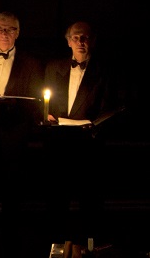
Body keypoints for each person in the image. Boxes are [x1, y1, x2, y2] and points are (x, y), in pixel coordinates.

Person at [42, 21, 120, 243]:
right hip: (59, 146)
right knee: (57, 202)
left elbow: (109, 108)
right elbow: (46, 103)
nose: (80, 42)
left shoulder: (104, 72)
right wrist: (46, 114)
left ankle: (90, 247)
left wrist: (96, 126)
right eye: (76, 37)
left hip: (89, 147)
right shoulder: (54, 67)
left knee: (90, 204)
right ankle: (56, 247)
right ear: (68, 42)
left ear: (93, 41)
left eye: (85, 37)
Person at [0, 11, 45, 224]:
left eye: (10, 29)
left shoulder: (31, 62)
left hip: (14, 129)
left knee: (11, 180)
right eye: (0, 29)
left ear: (18, 33)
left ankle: (11, 222)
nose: (4, 33)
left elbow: (36, 97)